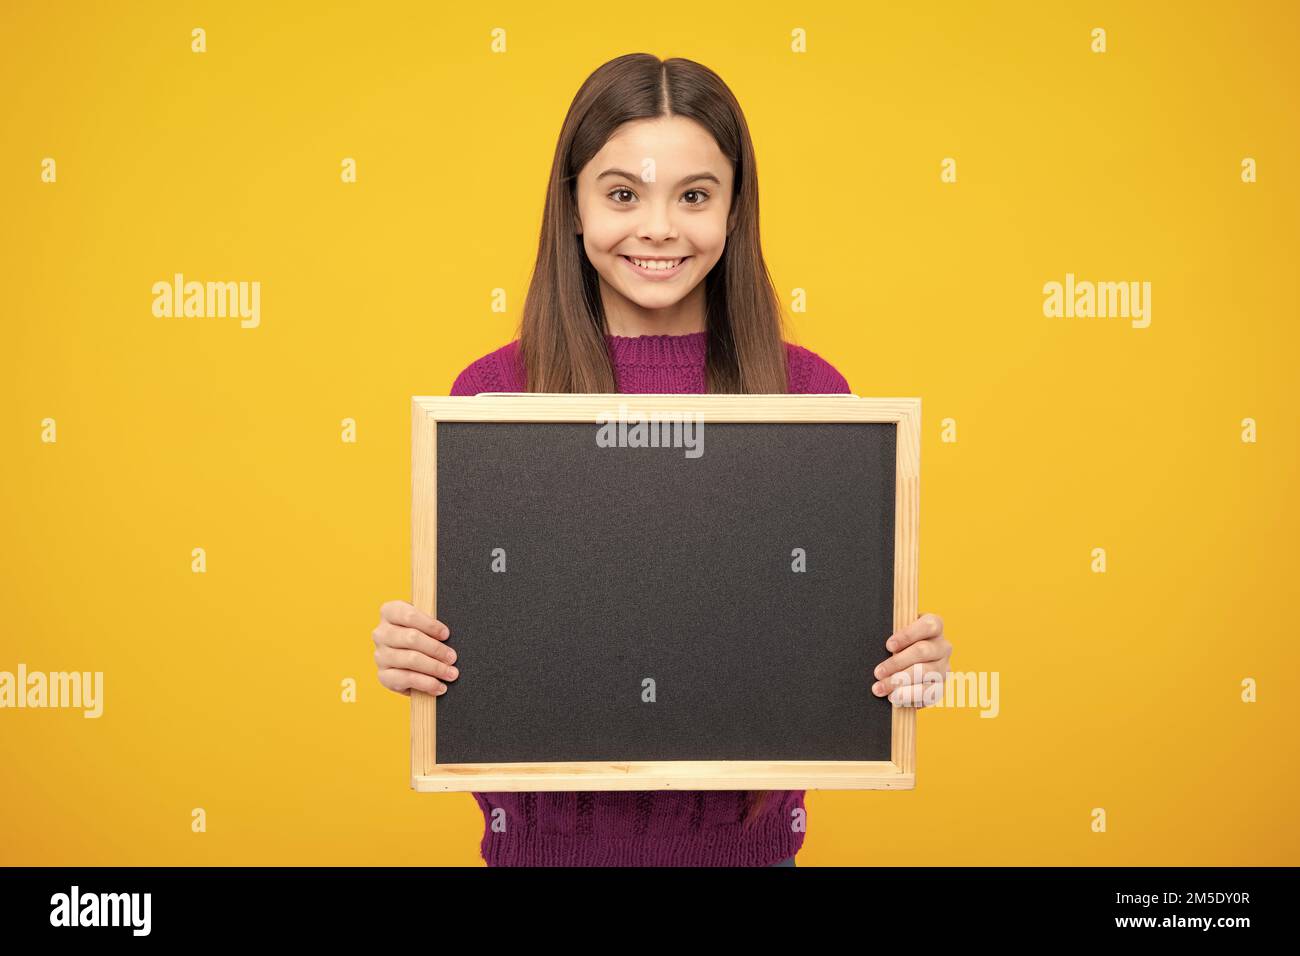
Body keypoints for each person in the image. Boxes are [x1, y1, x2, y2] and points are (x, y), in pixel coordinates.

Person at [372, 53, 953, 866]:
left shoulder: (812, 395)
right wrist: (416, 655)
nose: (658, 228)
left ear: (734, 209)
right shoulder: (492, 397)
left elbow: (831, 646)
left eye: (693, 195)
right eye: (621, 194)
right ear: (572, 207)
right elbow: (487, 640)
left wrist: (906, 671)